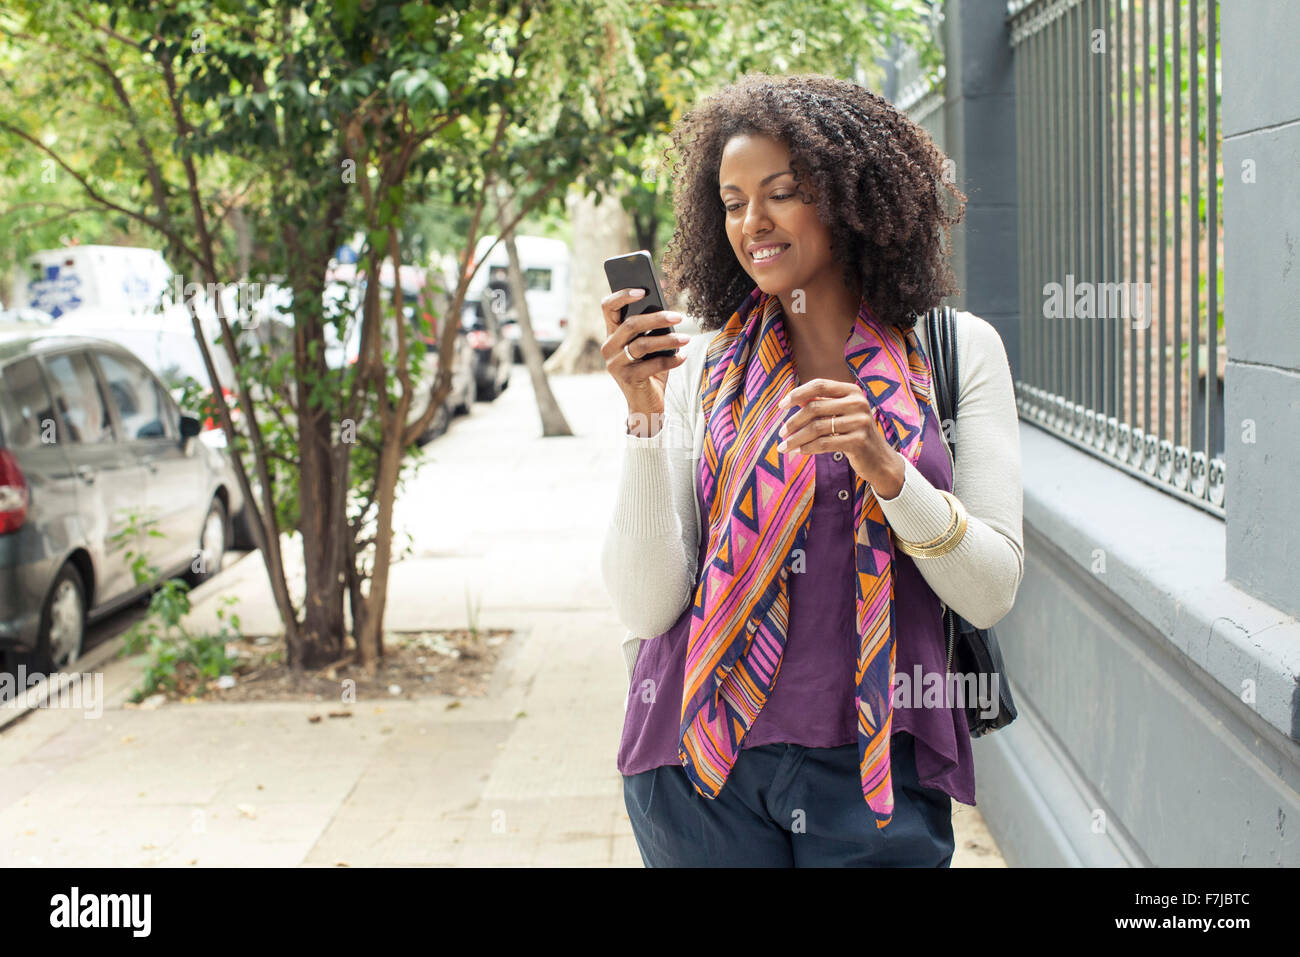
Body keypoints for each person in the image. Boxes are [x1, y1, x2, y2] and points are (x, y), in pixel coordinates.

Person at [599, 73, 1024, 867]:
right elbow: (650, 604)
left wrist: (888, 470)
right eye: (731, 202)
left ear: (850, 196)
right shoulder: (704, 371)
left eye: (781, 192)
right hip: (699, 766)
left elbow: (991, 588)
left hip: (877, 769)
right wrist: (644, 417)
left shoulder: (955, 353)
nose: (752, 222)